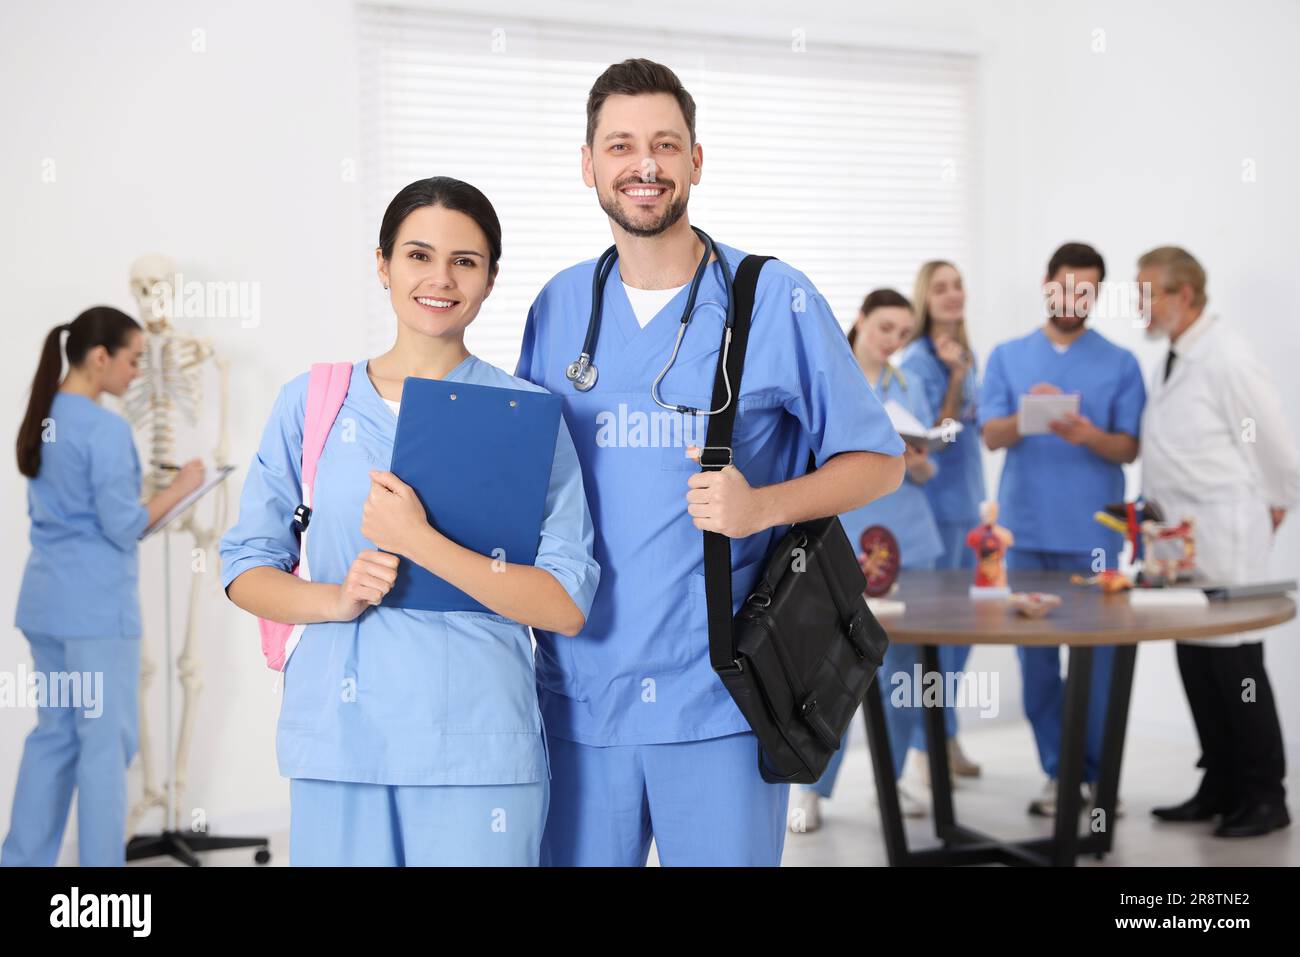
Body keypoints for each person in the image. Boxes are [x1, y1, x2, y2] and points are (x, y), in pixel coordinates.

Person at [514, 59, 905, 866]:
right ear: (588, 165)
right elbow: (527, 485)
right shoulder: (556, 308)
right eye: (620, 145)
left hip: (721, 698)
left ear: (696, 160)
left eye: (665, 143)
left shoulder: (772, 298)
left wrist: (761, 506)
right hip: (580, 697)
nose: (644, 165)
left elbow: (879, 461)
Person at [219, 177, 600, 866]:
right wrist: (334, 599)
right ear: (383, 264)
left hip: (478, 756)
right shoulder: (312, 403)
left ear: (489, 279)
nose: (440, 278)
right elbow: (245, 567)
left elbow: (566, 605)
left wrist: (419, 541)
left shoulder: (527, 417)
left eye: (466, 260)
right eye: (419, 255)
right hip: (339, 746)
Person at [2, 307, 204, 867]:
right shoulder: (107, 428)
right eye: (133, 360)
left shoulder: (45, 415)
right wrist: (186, 485)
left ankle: (20, 863)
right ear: (100, 358)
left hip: (44, 605)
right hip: (94, 614)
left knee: (54, 738)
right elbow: (125, 525)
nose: (137, 374)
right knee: (103, 747)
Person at [979, 242, 1145, 817]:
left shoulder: (1120, 363)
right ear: (1047, 284)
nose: (1074, 299)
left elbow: (1128, 446)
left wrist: (1086, 435)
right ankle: (1060, 773)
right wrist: (1032, 414)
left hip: (1094, 535)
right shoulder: (1007, 356)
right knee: (1038, 663)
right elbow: (991, 436)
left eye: (1087, 290)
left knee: (1095, 661)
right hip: (1025, 533)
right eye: (1065, 286)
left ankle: (1097, 779)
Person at [1138, 245, 1296, 837]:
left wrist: (1275, 503)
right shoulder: (1177, 354)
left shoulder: (1227, 356)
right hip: (1180, 538)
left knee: (1237, 665)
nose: (1140, 305)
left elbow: (1275, 442)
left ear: (1184, 295)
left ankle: (1264, 794)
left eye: (1147, 292)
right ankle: (1220, 783)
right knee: (1196, 659)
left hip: (1226, 532)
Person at [789, 289, 944, 830]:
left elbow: (923, 470)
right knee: (829, 676)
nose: (894, 341)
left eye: (904, 333)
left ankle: (892, 777)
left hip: (907, 539)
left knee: (903, 674)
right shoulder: (826, 376)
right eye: (885, 328)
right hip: (844, 538)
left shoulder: (912, 385)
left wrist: (917, 460)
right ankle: (811, 789)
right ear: (860, 319)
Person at [898, 260, 986, 778]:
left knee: (961, 634)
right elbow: (930, 435)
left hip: (970, 507)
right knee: (936, 636)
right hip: (936, 513)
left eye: (958, 284)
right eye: (941, 288)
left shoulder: (967, 356)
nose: (953, 295)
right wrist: (954, 377)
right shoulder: (918, 362)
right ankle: (933, 742)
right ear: (924, 299)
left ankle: (942, 735)